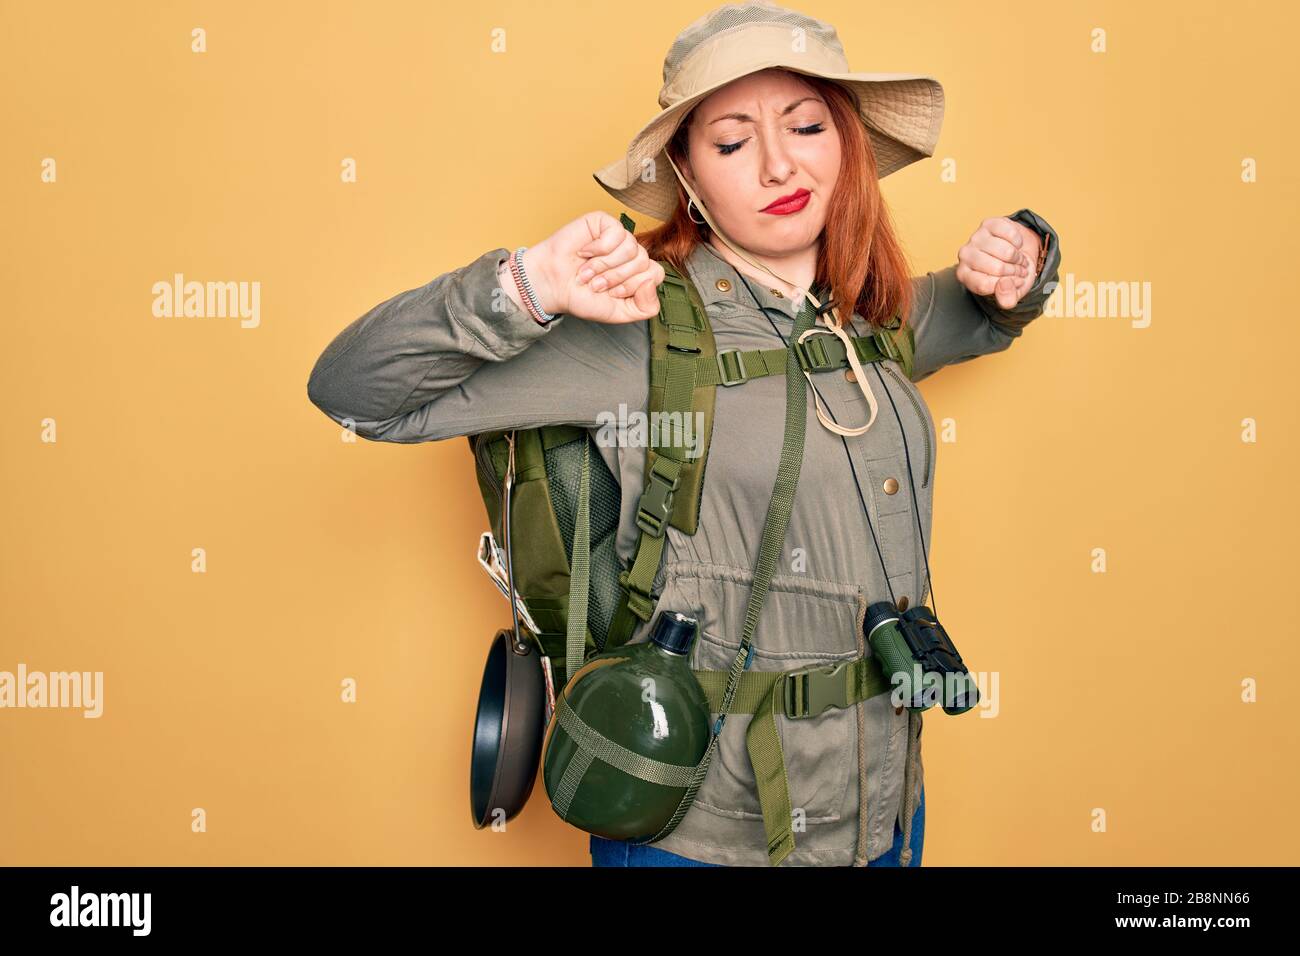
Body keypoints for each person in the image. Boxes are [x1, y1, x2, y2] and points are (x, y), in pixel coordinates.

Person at [306, 0, 1061, 867]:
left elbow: (989, 316)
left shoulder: (871, 321)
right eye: (733, 141)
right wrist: (529, 285)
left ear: (847, 143)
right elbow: (357, 394)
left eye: (807, 124)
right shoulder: (636, 328)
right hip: (703, 835)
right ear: (688, 175)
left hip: (882, 813)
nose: (779, 162)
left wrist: (1024, 262)